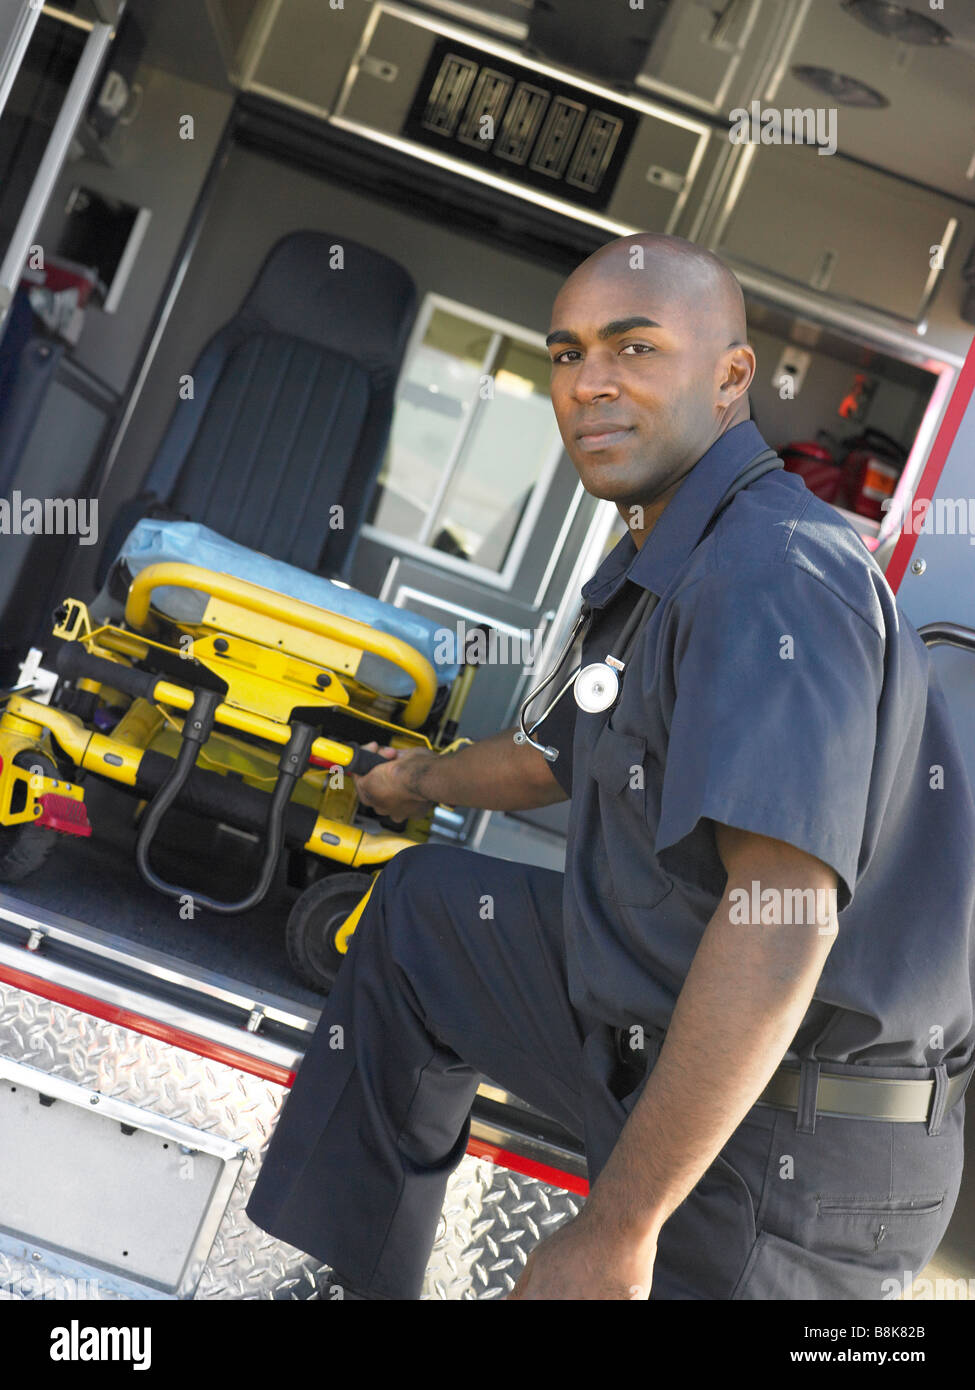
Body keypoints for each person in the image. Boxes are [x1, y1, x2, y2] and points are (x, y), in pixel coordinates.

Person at [245, 233, 975, 1300]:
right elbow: (554, 756)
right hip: (660, 1014)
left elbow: (783, 915)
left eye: (635, 348)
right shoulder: (664, 553)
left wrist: (617, 1224)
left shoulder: (773, 572)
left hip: (796, 1136)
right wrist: (419, 781)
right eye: (566, 352)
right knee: (422, 916)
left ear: (732, 376)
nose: (589, 382)